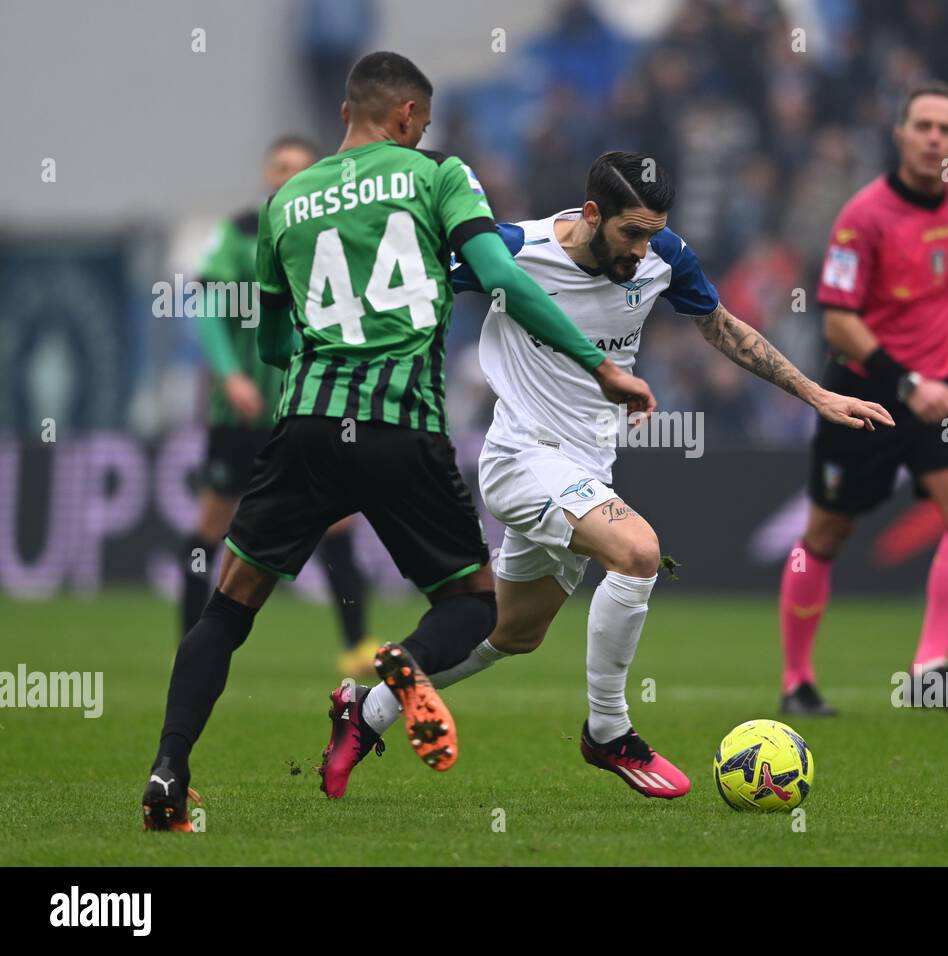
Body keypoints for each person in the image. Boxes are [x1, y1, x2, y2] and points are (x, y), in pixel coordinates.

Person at [142, 52, 654, 830]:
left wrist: (319, 357)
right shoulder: (436, 173)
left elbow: (275, 342)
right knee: (472, 607)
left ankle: (168, 774)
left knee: (228, 609)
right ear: (409, 117)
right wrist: (598, 366)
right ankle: (402, 666)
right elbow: (503, 277)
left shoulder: (287, 199)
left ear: (347, 112)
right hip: (401, 428)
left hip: (307, 424)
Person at [320, 151, 892, 800]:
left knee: (510, 635)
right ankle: (609, 732)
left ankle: (363, 713)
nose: (643, 249)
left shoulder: (663, 256)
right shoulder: (515, 250)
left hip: (587, 465)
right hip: (520, 456)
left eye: (653, 233)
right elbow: (409, 286)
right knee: (639, 551)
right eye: (631, 233)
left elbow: (720, 326)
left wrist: (815, 394)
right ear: (592, 214)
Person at [777, 82, 948, 716]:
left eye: (946, 130)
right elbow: (838, 320)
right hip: (866, 392)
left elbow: (947, 293)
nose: (933, 139)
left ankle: (930, 668)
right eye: (922, 126)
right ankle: (797, 680)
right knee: (825, 532)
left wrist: (943, 370)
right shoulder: (863, 216)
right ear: (899, 134)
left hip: (940, 393)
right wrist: (906, 383)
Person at [184, 135, 378, 678]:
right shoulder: (239, 234)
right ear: (268, 173)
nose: (288, 175)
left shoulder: (333, 237)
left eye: (300, 167)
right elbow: (207, 312)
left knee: (336, 524)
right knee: (211, 529)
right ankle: (190, 640)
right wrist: (231, 377)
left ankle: (356, 645)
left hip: (308, 409)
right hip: (240, 415)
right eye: (281, 166)